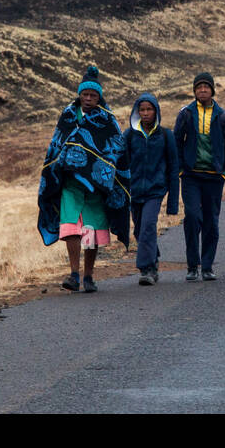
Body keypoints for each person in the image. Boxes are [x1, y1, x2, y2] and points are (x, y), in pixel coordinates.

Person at [38, 65, 130, 293]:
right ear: (79, 94)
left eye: (93, 95)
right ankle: (73, 274)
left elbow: (117, 149)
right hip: (70, 184)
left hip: (96, 186)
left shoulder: (107, 120)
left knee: (92, 230)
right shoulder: (68, 114)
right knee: (71, 228)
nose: (88, 98)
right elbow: (57, 144)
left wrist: (103, 172)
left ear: (99, 96)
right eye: (85, 94)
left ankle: (88, 276)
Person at [173, 73, 225, 282]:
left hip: (214, 177)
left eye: (206, 87)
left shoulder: (223, 116)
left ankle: (207, 266)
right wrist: (181, 169)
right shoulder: (186, 113)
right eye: (198, 87)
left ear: (212, 90)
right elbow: (176, 142)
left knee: (211, 221)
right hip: (191, 176)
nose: (202, 90)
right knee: (191, 217)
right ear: (194, 91)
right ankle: (192, 266)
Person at [125, 92, 179, 286]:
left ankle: (146, 269)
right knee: (139, 231)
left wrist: (172, 201)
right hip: (134, 190)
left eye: (149, 109)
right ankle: (153, 260)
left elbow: (174, 168)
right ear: (137, 112)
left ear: (156, 112)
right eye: (142, 109)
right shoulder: (130, 134)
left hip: (156, 190)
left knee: (148, 226)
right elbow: (121, 163)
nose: (146, 113)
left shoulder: (166, 135)